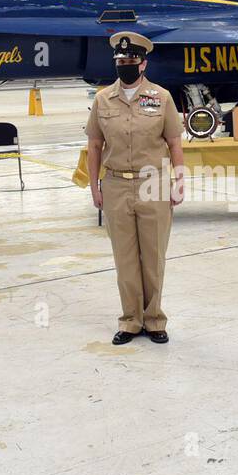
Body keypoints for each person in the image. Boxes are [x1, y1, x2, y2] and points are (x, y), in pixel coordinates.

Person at [85, 32, 185, 345]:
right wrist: (94, 186)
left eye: (130, 61)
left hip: (153, 183)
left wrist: (179, 183)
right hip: (115, 184)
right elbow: (94, 145)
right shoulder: (103, 99)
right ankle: (130, 320)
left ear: (143, 63)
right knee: (125, 257)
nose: (124, 65)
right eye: (120, 61)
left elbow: (174, 143)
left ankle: (154, 319)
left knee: (153, 256)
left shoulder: (161, 97)